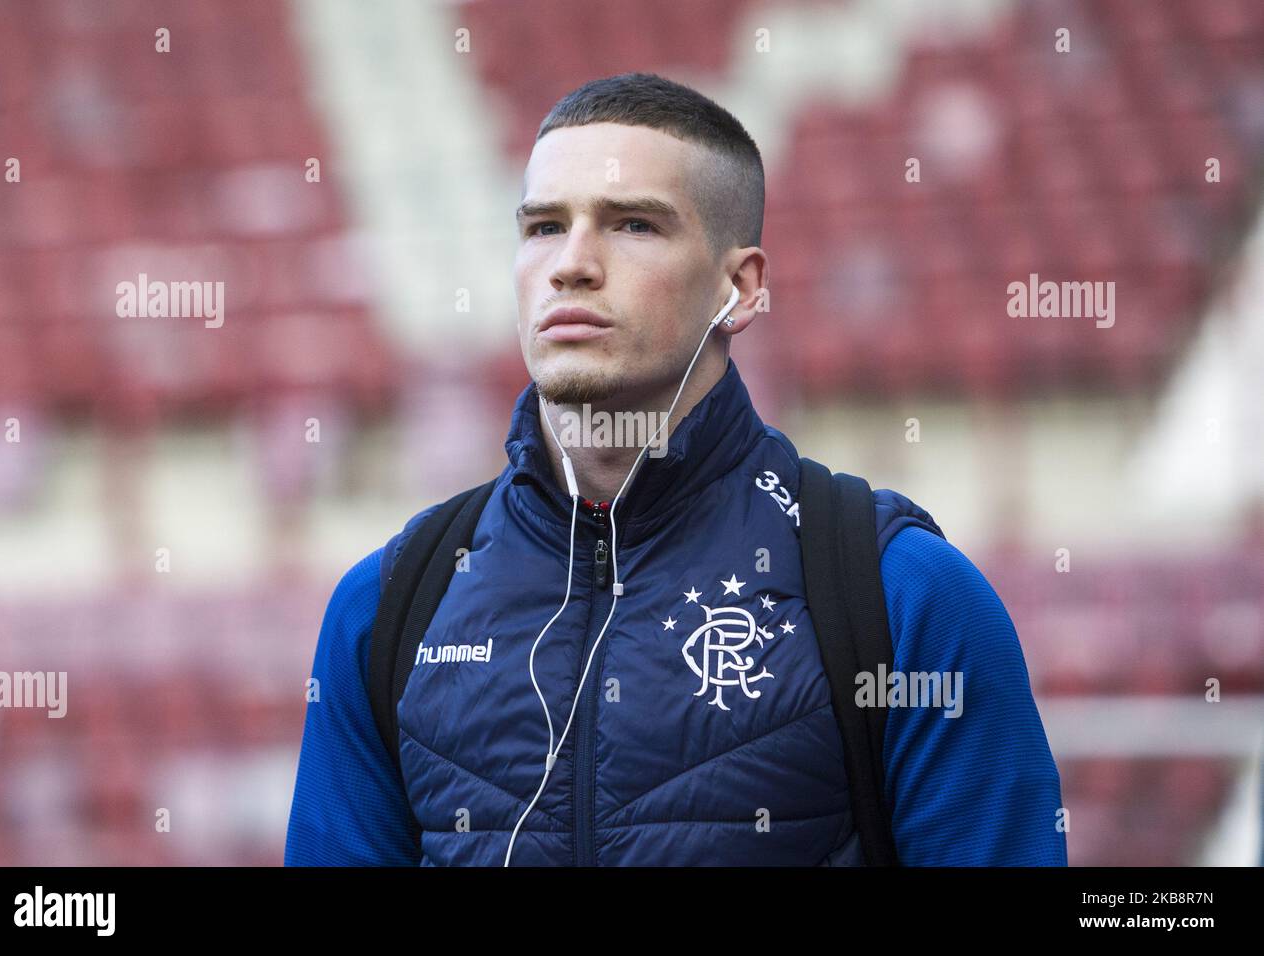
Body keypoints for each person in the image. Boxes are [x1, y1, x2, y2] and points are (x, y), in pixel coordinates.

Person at [285, 72, 1066, 867]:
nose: (572, 265)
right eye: (544, 227)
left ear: (740, 288)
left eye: (632, 225)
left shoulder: (903, 595)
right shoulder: (386, 610)